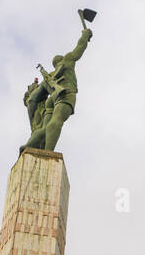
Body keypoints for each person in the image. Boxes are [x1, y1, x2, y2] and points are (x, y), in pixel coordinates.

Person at [21, 10, 94, 154]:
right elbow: (79, 48)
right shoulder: (67, 61)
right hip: (64, 94)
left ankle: (28, 146)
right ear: (61, 59)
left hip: (51, 100)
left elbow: (33, 99)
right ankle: (47, 153)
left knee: (44, 129)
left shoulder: (50, 75)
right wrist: (85, 34)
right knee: (56, 122)